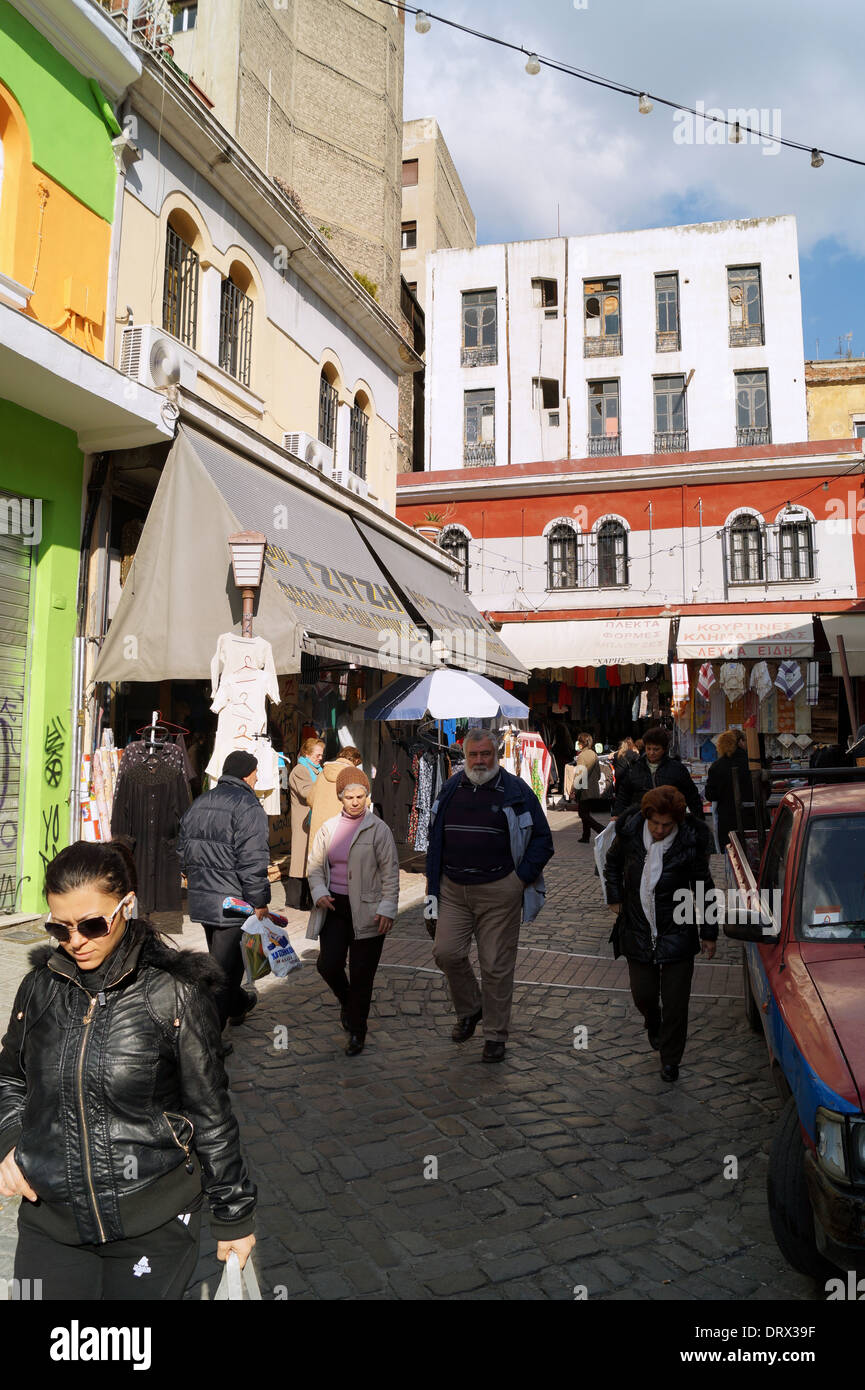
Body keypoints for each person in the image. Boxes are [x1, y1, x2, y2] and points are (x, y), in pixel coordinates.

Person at [0, 840, 256, 1301]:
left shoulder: (173, 995)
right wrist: (9, 1142)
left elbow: (210, 1111)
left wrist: (233, 1215)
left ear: (127, 906)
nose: (75, 940)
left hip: (152, 1220)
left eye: (92, 924)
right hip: (49, 1218)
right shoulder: (39, 989)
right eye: (60, 927)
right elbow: (9, 1077)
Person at [426, 728, 554, 1063]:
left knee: (496, 966)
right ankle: (471, 1008)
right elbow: (434, 840)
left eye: (486, 755)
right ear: (464, 756)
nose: (480, 761)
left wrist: (519, 880)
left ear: (496, 755)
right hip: (453, 889)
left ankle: (495, 1036)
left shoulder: (516, 791)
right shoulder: (450, 788)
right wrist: (431, 894)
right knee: (446, 953)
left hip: (500, 890)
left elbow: (543, 839)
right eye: (474, 755)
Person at [603, 785, 716, 1082]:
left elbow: (704, 889)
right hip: (638, 929)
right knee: (644, 995)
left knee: (677, 1002)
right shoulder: (629, 835)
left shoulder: (689, 843)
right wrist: (614, 897)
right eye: (655, 823)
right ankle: (654, 1023)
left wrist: (709, 933)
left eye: (667, 825)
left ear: (677, 822)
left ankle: (670, 1059)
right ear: (646, 817)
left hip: (677, 929)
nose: (660, 830)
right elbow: (611, 864)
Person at [306, 768, 399, 1056]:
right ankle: (347, 1001)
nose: (356, 802)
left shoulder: (378, 829)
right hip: (334, 906)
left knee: (362, 974)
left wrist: (387, 907)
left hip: (369, 910)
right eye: (350, 797)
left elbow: (390, 872)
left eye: (361, 796)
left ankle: (357, 1030)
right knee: (328, 964)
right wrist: (319, 892)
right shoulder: (328, 828)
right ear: (340, 797)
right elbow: (315, 866)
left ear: (367, 796)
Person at [178, 750, 270, 1032]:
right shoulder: (248, 805)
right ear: (246, 773)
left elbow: (183, 849)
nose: (257, 777)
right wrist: (259, 900)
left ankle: (239, 1004)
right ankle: (209, 1040)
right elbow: (253, 859)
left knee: (222, 964)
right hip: (233, 902)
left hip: (203, 897)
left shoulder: (202, 801)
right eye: (255, 772)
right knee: (223, 973)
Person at [612, 725, 703, 821]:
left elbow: (692, 796)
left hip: (669, 820)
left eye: (656, 749)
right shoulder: (634, 768)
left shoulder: (677, 769)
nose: (651, 753)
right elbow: (623, 795)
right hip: (640, 819)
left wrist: (698, 820)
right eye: (648, 748)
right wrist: (617, 814)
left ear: (664, 749)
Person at [286, 736, 325, 909]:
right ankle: (296, 901)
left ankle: (308, 899)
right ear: (307, 754)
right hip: (304, 822)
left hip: (314, 821)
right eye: (317, 755)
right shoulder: (300, 770)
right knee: (300, 862)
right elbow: (307, 793)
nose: (320, 758)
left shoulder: (317, 769)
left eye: (322, 755)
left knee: (310, 860)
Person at [305, 745, 364, 845]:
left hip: (320, 825)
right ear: (356, 761)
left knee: (319, 857)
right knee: (340, 857)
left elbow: (310, 799)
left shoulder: (323, 772)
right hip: (343, 826)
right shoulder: (354, 775)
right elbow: (362, 803)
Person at [705, 729, 752, 849]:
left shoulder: (717, 766)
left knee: (731, 854)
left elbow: (710, 795)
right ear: (740, 742)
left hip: (727, 819)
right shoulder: (751, 763)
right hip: (752, 817)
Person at [572, 731, 606, 843]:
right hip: (592, 788)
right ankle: (585, 836)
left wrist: (574, 790)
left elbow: (579, 775)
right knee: (585, 812)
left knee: (582, 814)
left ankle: (601, 829)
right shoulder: (593, 754)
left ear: (581, 743)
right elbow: (598, 773)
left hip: (584, 790)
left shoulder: (582, 756)